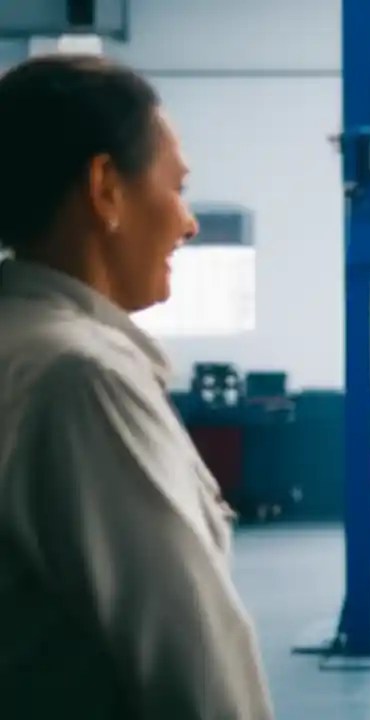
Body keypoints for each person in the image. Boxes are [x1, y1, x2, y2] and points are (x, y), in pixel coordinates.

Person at [0, 55, 274, 719]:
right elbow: (196, 661)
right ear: (105, 188)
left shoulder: (19, 342)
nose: (188, 221)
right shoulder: (82, 380)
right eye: (176, 186)